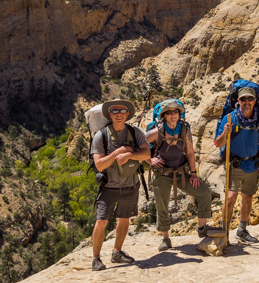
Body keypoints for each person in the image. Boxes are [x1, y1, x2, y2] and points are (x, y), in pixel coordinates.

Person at [145, 99, 214, 251]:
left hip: (182, 173)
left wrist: (194, 174)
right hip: (161, 174)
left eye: (175, 112)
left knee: (204, 193)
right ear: (164, 115)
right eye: (169, 112)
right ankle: (165, 239)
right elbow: (140, 145)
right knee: (162, 205)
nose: (172, 115)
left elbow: (190, 152)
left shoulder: (184, 130)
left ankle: (202, 229)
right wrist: (150, 159)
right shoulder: (158, 131)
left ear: (179, 114)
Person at [90, 99, 150, 271]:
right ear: (110, 114)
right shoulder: (101, 135)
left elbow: (147, 153)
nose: (119, 114)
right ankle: (96, 259)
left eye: (122, 111)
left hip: (131, 184)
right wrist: (117, 152)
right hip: (109, 186)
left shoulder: (135, 132)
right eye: (115, 111)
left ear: (127, 114)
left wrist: (130, 155)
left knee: (124, 219)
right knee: (101, 222)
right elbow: (99, 165)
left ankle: (117, 252)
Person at [214, 85, 259, 243]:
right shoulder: (230, 118)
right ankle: (224, 231)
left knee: (247, 198)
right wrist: (225, 132)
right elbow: (218, 143)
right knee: (231, 197)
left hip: (252, 164)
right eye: (243, 99)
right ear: (238, 100)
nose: (246, 102)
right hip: (234, 164)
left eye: (250, 99)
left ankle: (242, 230)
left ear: (255, 101)